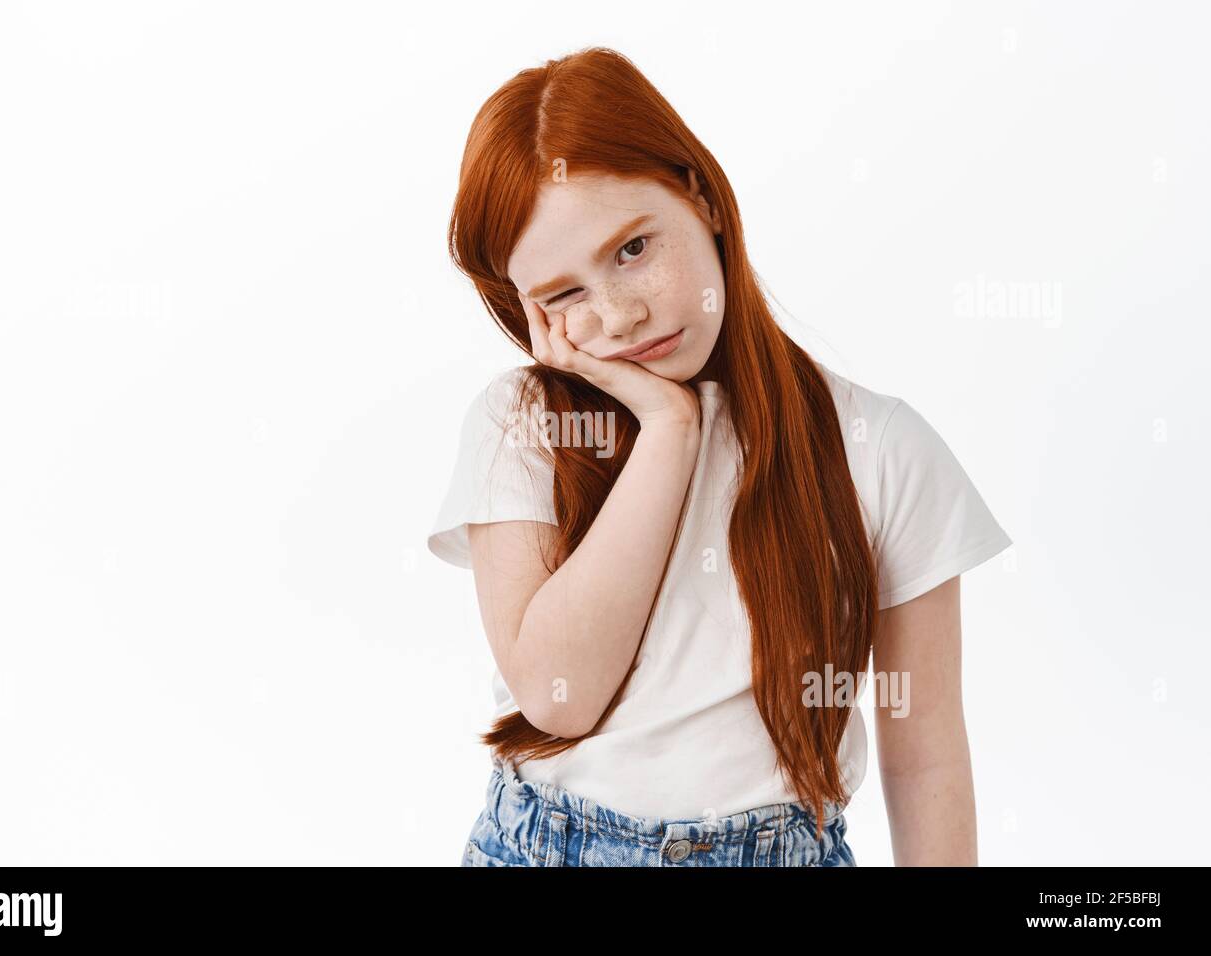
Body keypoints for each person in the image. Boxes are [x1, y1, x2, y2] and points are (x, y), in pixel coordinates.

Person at [427, 47, 1013, 867]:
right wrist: (669, 432)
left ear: (698, 192)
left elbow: (927, 760)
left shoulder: (880, 450)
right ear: (525, 311)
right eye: (565, 295)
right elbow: (559, 696)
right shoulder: (523, 426)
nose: (623, 315)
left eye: (633, 249)